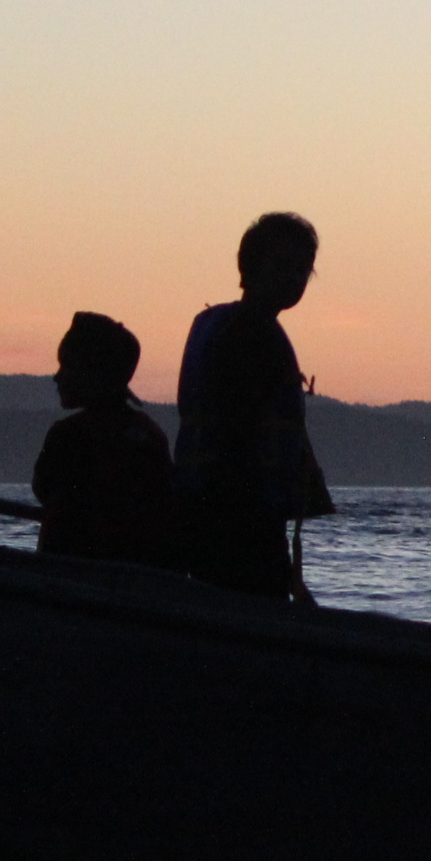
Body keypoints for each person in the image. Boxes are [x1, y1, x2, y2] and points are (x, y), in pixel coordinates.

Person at [172, 213, 332, 597]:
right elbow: (236, 430)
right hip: (236, 515)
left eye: (302, 269)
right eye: (282, 266)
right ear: (249, 266)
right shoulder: (249, 336)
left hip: (220, 510)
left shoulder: (235, 327)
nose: (294, 278)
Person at [31, 311, 181, 567]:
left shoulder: (69, 435)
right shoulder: (151, 434)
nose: (57, 377)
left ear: (92, 373)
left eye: (67, 365)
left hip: (69, 578)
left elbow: (43, 489)